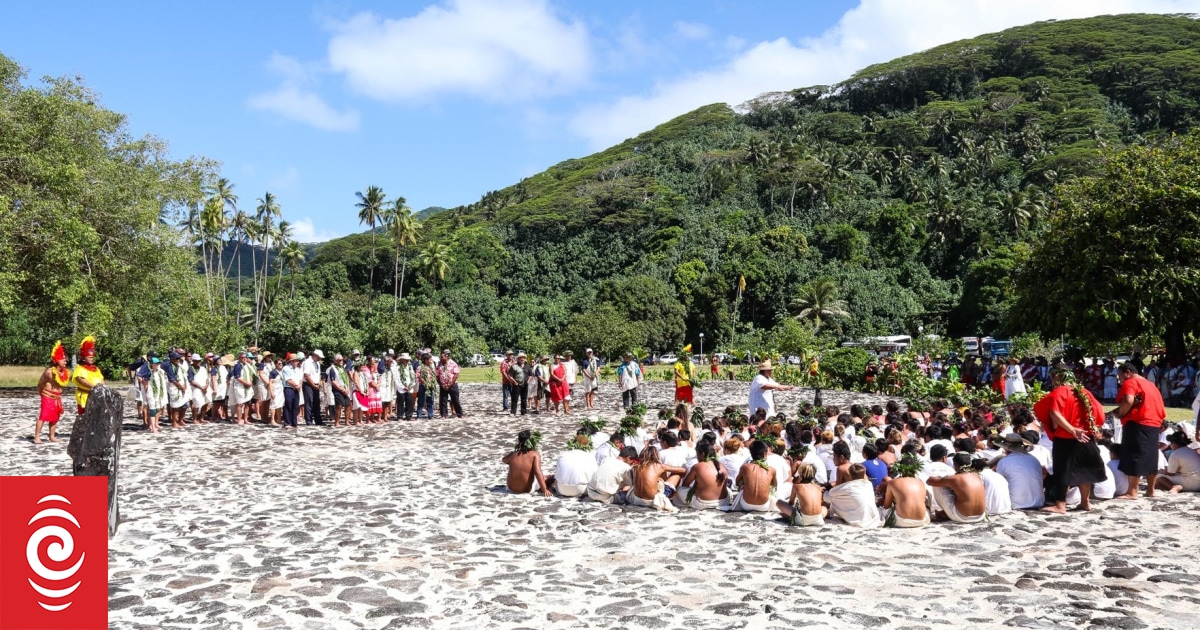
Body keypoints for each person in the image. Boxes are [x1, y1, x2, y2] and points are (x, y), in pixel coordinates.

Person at [1034, 367, 1107, 513]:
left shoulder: (1059, 392)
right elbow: (1100, 414)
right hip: (1086, 436)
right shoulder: (1085, 393)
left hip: (1066, 437)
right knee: (1084, 469)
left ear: (1057, 378)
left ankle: (1060, 505)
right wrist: (1093, 429)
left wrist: (1073, 430)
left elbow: (1054, 413)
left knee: (1063, 471)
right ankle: (1085, 502)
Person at [1114, 362, 1166, 500]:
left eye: (1120, 376)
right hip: (1154, 422)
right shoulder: (1151, 385)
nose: (1121, 380)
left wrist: (1121, 413)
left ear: (1128, 372)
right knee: (1151, 456)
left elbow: (1128, 399)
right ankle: (1150, 489)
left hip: (1137, 422)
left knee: (1134, 454)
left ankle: (1132, 492)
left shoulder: (1131, 382)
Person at [927, 453, 987, 523]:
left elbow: (930, 481)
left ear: (955, 464)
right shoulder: (977, 476)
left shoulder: (955, 478)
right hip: (980, 515)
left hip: (963, 517)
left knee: (938, 485)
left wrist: (941, 478)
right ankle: (946, 512)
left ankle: (946, 513)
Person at [992, 434, 1047, 510]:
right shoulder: (1034, 459)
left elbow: (998, 483)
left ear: (1006, 448)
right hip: (1038, 502)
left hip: (1016, 504)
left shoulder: (1004, 461)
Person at [627, 446, 685, 512]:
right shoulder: (658, 466)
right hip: (653, 501)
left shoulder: (635, 467)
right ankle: (672, 495)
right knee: (676, 475)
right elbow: (683, 470)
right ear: (655, 455)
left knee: (658, 478)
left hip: (637, 499)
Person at [825, 463, 882, 527]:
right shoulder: (869, 484)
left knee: (834, 499)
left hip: (860, 520)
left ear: (850, 474)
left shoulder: (849, 486)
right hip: (873, 519)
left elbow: (831, 493)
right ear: (864, 474)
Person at [34, 341, 70, 443]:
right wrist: (42, 394)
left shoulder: (64, 373)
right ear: (57, 360)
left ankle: (52, 436)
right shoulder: (49, 372)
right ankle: (37, 437)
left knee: (55, 416)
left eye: (66, 360)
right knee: (43, 416)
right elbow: (40, 383)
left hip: (57, 397)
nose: (65, 362)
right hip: (47, 396)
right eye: (63, 360)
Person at [882, 454, 929, 528]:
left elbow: (886, 506)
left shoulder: (893, 482)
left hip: (902, 521)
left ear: (900, 468)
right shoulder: (920, 482)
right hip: (922, 520)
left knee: (881, 511)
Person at [729, 441, 777, 513]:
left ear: (751, 454)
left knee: (743, 485)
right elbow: (775, 485)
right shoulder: (772, 469)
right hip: (764, 506)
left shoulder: (745, 467)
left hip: (746, 505)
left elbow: (737, 483)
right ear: (765, 454)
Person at [678, 441, 728, 509]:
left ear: (702, 454)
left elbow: (685, 484)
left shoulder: (698, 466)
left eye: (697, 454)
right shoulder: (722, 466)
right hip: (724, 501)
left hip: (704, 503)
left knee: (679, 490)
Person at [501, 430, 551, 496]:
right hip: (526, 490)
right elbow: (537, 472)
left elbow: (504, 460)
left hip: (511, 489)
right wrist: (544, 490)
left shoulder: (513, 454)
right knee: (550, 478)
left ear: (519, 441)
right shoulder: (534, 455)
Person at [71, 336, 104, 415]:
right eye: (89, 357)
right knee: (85, 417)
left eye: (92, 357)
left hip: (96, 395)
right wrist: (95, 387)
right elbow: (81, 380)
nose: (91, 359)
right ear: (84, 357)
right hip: (85, 396)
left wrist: (104, 388)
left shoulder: (96, 369)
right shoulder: (80, 369)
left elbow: (101, 380)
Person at [231, 352, 257, 426]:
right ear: (239, 358)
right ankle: (239, 419)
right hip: (240, 387)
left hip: (248, 386)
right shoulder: (238, 366)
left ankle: (245, 419)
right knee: (240, 404)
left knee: (247, 403)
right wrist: (246, 383)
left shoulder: (247, 365)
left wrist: (250, 381)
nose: (244, 358)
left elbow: (251, 374)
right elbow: (237, 377)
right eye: (242, 357)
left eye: (245, 357)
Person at [143, 356, 167, 433]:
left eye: (158, 363)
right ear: (152, 364)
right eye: (155, 364)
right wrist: (146, 394)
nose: (157, 365)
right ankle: (153, 427)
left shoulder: (160, 372)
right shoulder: (148, 373)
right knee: (152, 410)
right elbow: (145, 384)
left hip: (159, 393)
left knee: (158, 409)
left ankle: (154, 424)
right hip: (151, 393)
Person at [437, 349, 464, 418]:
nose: (441, 358)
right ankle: (443, 415)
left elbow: (456, 374)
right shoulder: (439, 364)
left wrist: (450, 383)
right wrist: (441, 384)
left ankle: (459, 414)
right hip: (443, 385)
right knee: (443, 400)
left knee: (455, 399)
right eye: (440, 357)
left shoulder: (453, 363)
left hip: (452, 384)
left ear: (447, 357)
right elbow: (437, 375)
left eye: (442, 357)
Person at [302, 349, 325, 426]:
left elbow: (318, 374)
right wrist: (313, 384)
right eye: (319, 357)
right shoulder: (307, 362)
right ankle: (309, 420)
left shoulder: (317, 363)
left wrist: (318, 383)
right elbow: (306, 375)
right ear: (315, 355)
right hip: (308, 384)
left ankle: (318, 420)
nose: (320, 359)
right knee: (309, 402)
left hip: (316, 384)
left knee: (316, 402)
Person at [281, 353, 303, 429]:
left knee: (295, 406)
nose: (298, 362)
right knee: (288, 405)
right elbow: (288, 380)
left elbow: (300, 379)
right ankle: (287, 422)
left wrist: (299, 385)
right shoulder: (286, 368)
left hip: (296, 389)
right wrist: (296, 386)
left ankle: (294, 422)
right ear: (292, 361)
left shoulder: (297, 369)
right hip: (289, 388)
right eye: (296, 361)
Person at [189, 353, 210, 425]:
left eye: (199, 361)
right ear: (193, 361)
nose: (198, 362)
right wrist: (201, 387)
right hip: (196, 388)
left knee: (206, 402)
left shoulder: (203, 369)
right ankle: (195, 419)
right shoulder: (190, 369)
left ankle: (202, 418)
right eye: (197, 361)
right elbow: (191, 381)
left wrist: (206, 386)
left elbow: (207, 379)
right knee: (196, 403)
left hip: (205, 388)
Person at [416, 352, 438, 420]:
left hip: (430, 386)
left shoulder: (431, 367)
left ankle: (430, 415)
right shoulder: (420, 367)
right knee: (421, 401)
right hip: (423, 386)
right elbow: (418, 375)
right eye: (430, 360)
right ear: (426, 360)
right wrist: (424, 382)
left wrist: (432, 383)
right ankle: (419, 415)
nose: (431, 361)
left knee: (430, 400)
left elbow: (434, 376)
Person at [211, 353, 232, 422]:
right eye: (218, 360)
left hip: (224, 388)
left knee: (221, 402)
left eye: (220, 359)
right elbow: (213, 379)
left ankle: (219, 416)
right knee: (216, 403)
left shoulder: (223, 367)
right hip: (218, 387)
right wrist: (214, 389)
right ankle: (214, 417)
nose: (220, 361)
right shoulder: (214, 369)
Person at [395, 353, 416, 421]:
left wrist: (411, 385)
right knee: (400, 402)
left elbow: (413, 377)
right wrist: (403, 387)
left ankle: (409, 416)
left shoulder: (410, 367)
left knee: (409, 402)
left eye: (408, 360)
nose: (407, 361)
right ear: (402, 360)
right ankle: (400, 416)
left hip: (409, 387)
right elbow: (397, 378)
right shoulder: (398, 367)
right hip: (401, 388)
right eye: (405, 360)